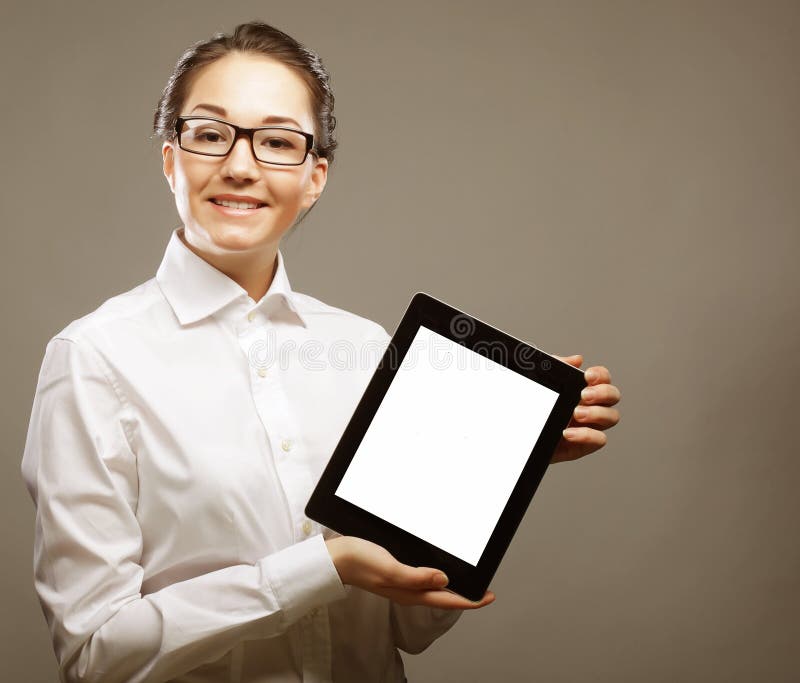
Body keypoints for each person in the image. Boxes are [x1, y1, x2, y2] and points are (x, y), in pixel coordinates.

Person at [20, 20, 621, 683]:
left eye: (278, 141)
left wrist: (498, 464)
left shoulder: (364, 348)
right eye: (211, 134)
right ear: (171, 159)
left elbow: (411, 625)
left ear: (314, 177)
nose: (240, 166)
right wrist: (324, 567)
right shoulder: (93, 359)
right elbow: (95, 655)